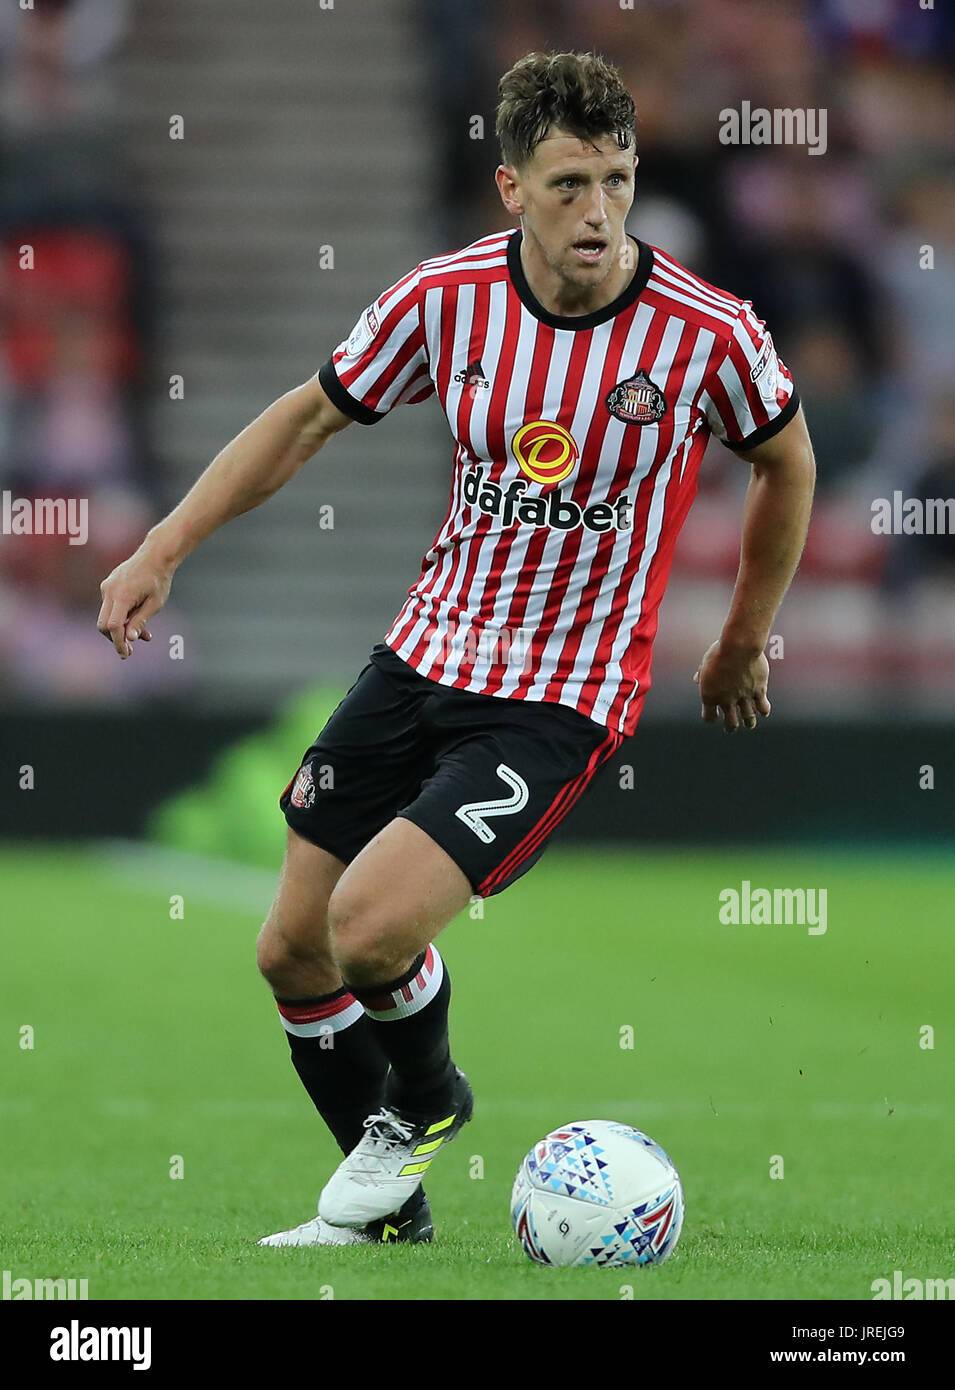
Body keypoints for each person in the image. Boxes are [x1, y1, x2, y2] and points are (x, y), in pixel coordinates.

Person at [96, 51, 816, 1247]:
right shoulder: (446, 298)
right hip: (425, 654)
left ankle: (428, 1101)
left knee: (371, 928)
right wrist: (163, 546)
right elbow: (309, 415)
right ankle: (392, 1221)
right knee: (289, 950)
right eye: (569, 184)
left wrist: (743, 638)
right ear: (508, 187)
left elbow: (783, 460)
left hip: (560, 694)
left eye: (618, 181)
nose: (598, 213)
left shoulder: (706, 333)